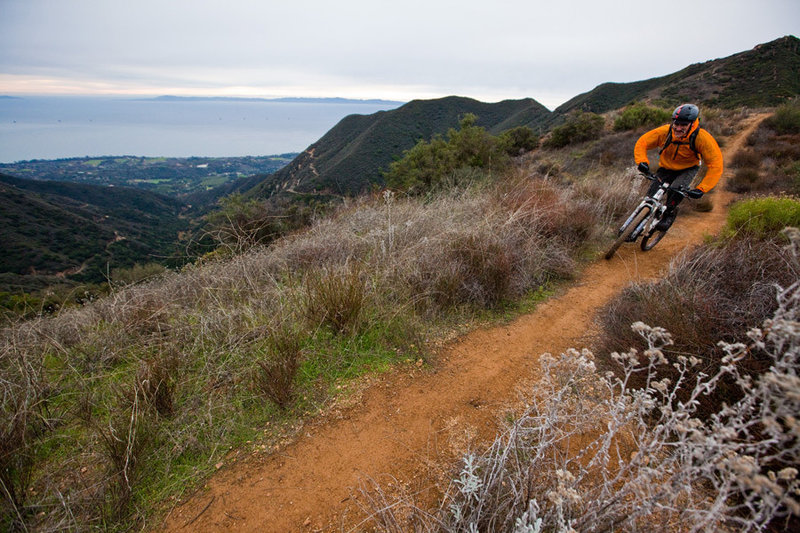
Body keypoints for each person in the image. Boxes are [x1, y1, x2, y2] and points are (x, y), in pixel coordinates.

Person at [634, 103, 724, 230]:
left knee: (675, 190)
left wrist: (702, 189)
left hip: (687, 169)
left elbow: (715, 165)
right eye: (676, 124)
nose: (678, 128)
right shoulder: (665, 132)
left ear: (692, 124)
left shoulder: (702, 138)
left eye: (683, 125)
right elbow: (643, 142)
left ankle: (669, 214)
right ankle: (634, 226)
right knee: (651, 196)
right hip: (666, 167)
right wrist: (642, 161)